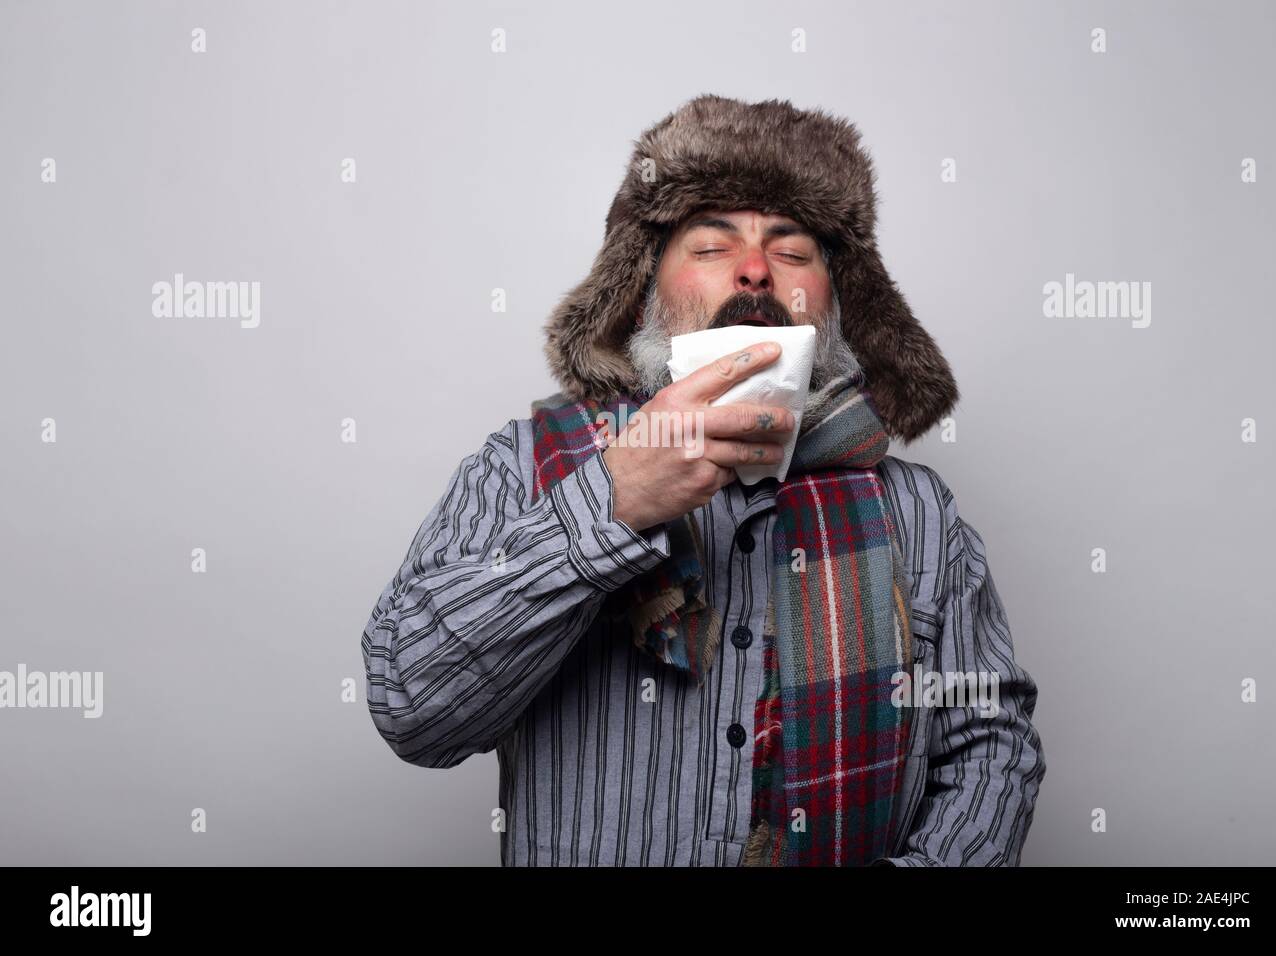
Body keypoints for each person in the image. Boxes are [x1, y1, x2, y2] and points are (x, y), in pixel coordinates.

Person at [361, 94, 1046, 866]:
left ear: (836, 305)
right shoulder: (522, 467)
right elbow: (411, 709)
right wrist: (610, 507)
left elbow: (991, 744)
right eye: (712, 247)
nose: (756, 268)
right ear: (648, 290)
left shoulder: (919, 514)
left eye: (793, 252)